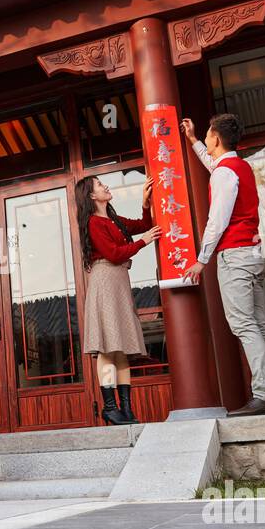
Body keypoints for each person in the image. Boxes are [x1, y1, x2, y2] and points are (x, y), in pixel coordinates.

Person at [180, 113, 265, 416]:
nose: (206, 138)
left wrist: (201, 260)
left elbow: (217, 220)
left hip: (236, 256)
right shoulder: (238, 167)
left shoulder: (224, 173)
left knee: (244, 324)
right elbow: (214, 167)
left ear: (216, 138)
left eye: (207, 134)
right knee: (260, 325)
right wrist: (193, 140)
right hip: (253, 254)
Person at [75, 174, 161, 424]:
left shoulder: (112, 219)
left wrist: (145, 202)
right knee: (107, 347)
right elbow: (113, 254)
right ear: (92, 195)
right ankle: (110, 407)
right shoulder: (93, 222)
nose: (106, 186)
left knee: (121, 348)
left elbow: (143, 224)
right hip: (105, 281)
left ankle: (126, 409)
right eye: (100, 185)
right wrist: (143, 242)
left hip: (119, 282)